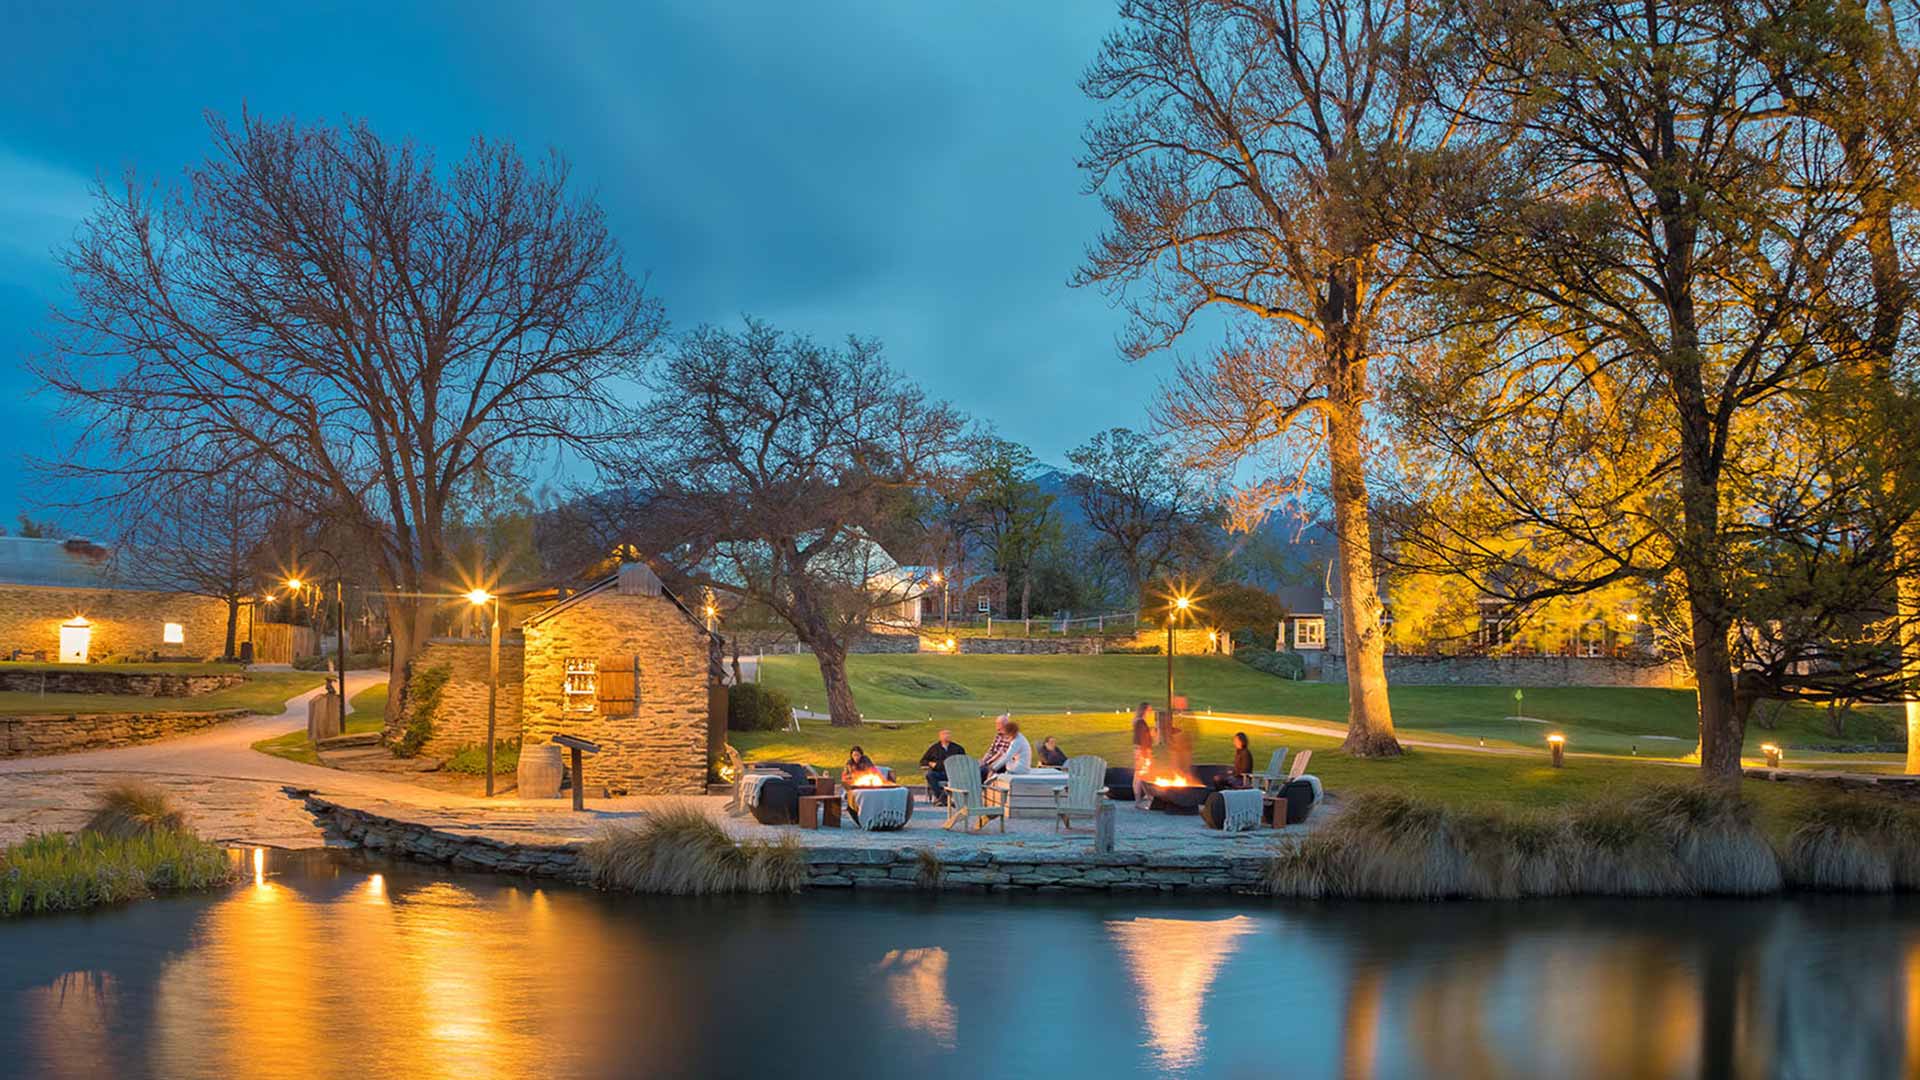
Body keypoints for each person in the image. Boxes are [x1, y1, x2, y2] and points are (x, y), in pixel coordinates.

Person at [918, 729, 966, 806]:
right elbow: (923, 761)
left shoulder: (958, 748)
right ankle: (943, 798)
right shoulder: (934, 748)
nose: (946, 736)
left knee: (957, 777)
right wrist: (930, 763)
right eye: (944, 734)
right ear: (940, 736)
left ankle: (941, 800)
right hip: (939, 772)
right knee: (930, 775)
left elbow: (964, 761)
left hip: (953, 773)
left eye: (948, 734)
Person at [1130, 701, 1153, 801]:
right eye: (1149, 710)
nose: (1150, 712)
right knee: (1140, 775)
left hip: (1139, 750)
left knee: (1142, 774)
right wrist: (1146, 754)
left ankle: (1147, 796)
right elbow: (1141, 739)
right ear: (1144, 710)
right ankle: (1138, 799)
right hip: (1142, 751)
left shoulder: (1139, 721)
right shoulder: (1140, 722)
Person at [979, 713, 1013, 779]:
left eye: (998, 724)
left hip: (1000, 764)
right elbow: (990, 750)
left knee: (980, 771)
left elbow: (1001, 755)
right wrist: (983, 760)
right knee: (974, 767)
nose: (996, 726)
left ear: (1005, 725)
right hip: (991, 761)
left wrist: (986, 763)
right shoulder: (998, 735)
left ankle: (981, 787)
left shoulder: (1010, 737)